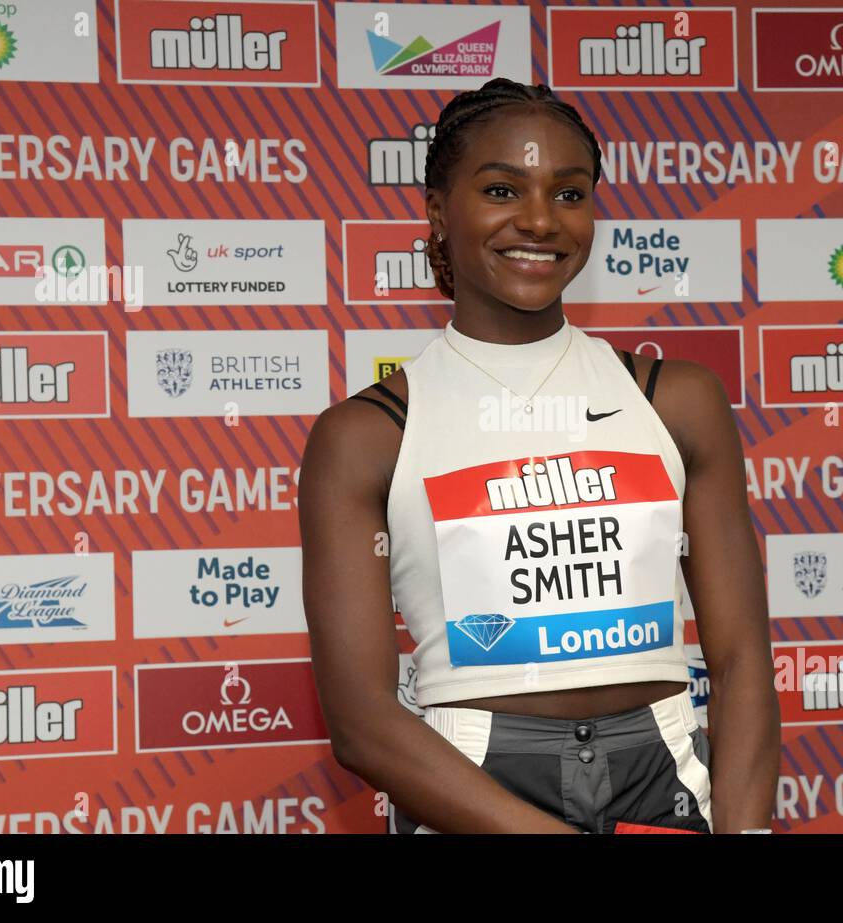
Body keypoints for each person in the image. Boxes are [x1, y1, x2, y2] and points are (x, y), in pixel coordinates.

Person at [299, 78, 779, 834]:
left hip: (664, 778)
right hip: (469, 788)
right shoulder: (366, 436)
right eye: (501, 188)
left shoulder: (676, 401)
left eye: (569, 193)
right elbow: (361, 721)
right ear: (436, 212)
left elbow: (744, 658)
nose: (538, 219)